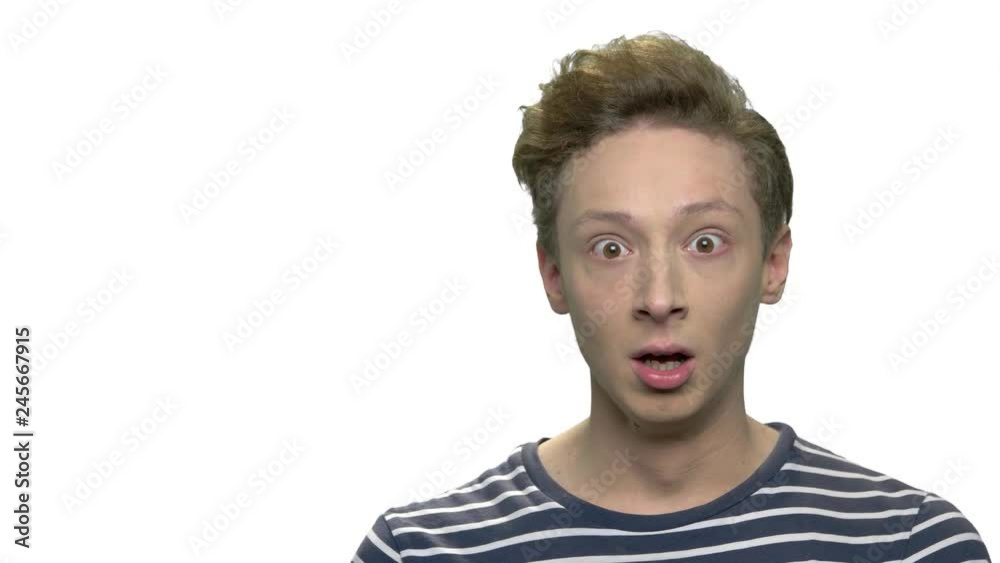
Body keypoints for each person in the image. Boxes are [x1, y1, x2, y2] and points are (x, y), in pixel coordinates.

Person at [351, 31, 991, 562]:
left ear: (773, 264)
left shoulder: (909, 544)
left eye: (705, 242)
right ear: (553, 274)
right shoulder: (420, 553)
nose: (659, 297)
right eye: (611, 247)